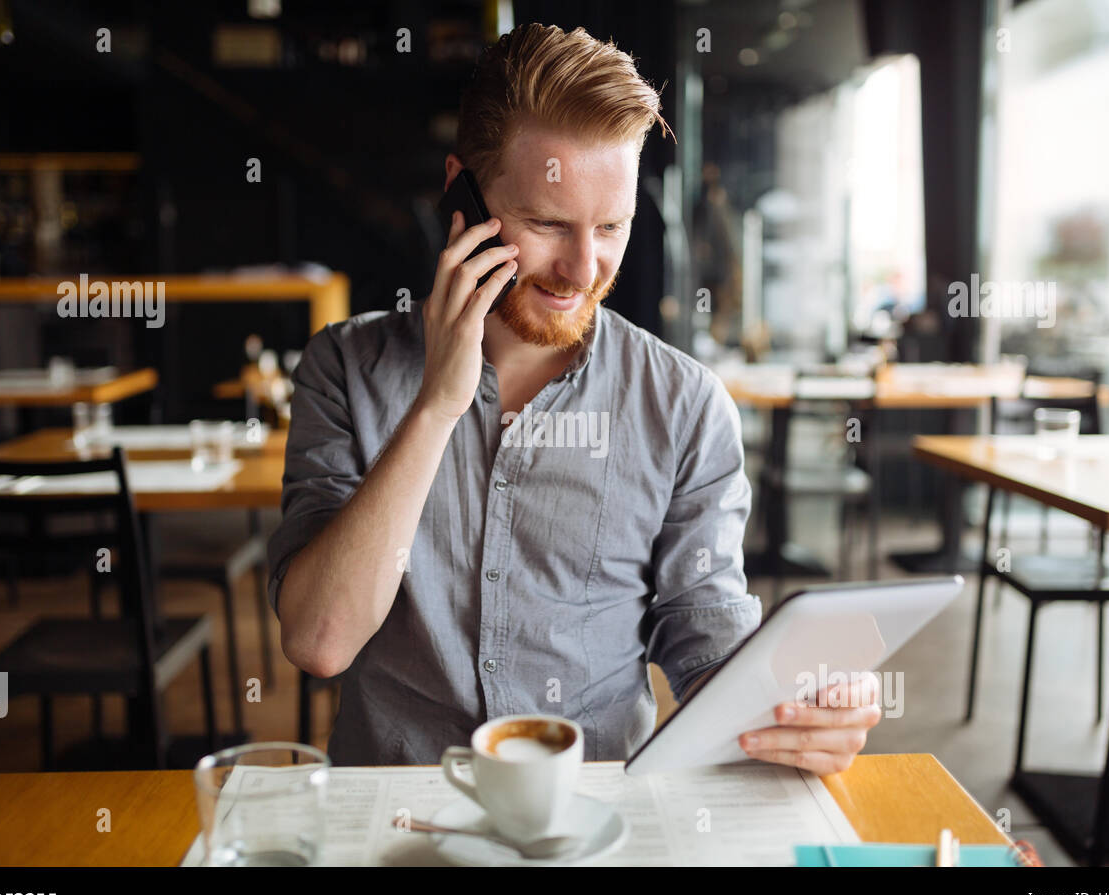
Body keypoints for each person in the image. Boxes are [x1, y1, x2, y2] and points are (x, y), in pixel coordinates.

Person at [268, 23, 880, 771]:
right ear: (461, 192)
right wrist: (436, 406)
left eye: (611, 227)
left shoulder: (684, 406)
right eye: (547, 224)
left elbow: (703, 634)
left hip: (596, 825)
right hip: (397, 819)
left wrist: (789, 708)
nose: (583, 269)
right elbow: (318, 640)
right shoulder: (344, 367)